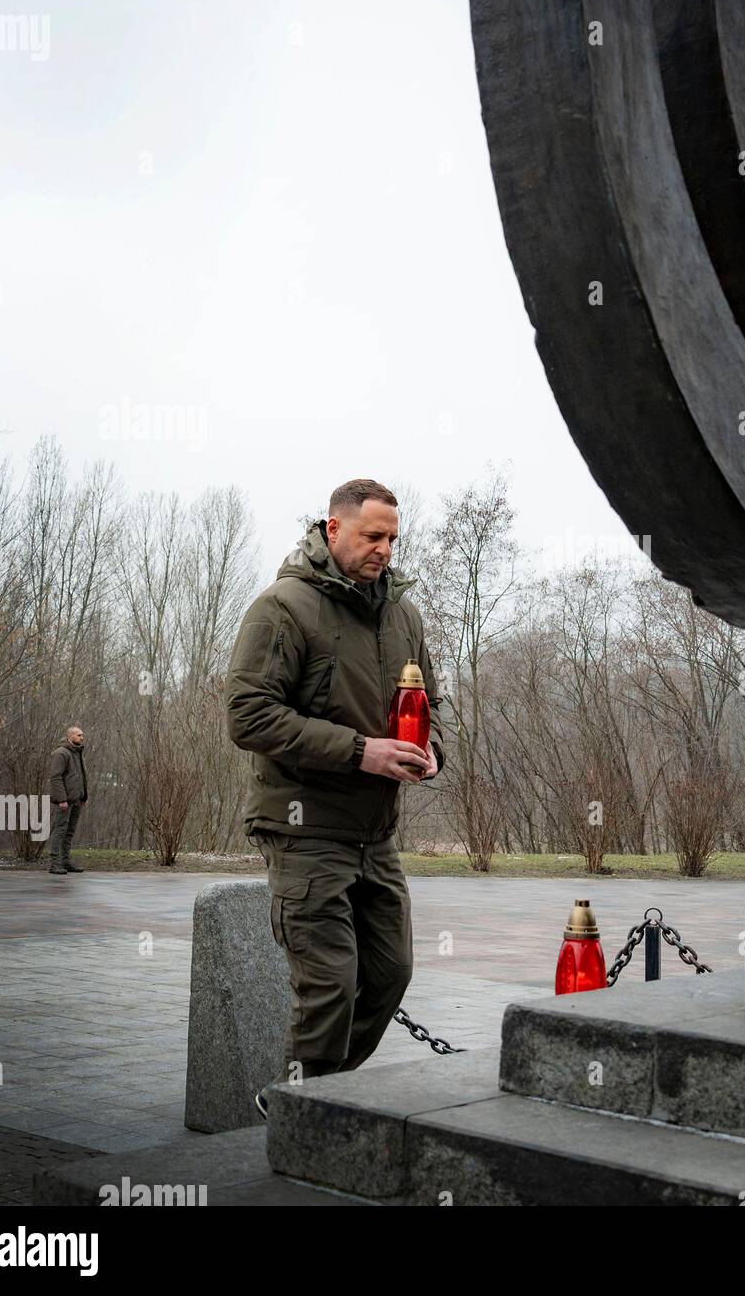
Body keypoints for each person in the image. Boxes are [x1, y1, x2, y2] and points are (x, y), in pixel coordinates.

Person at [225, 479, 445, 1119]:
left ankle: (301, 1096)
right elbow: (247, 715)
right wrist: (360, 751)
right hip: (304, 826)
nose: (384, 549)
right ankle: (304, 1113)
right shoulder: (282, 608)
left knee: (389, 974)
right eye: (372, 536)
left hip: (375, 831)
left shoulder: (403, 614)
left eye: (392, 539)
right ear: (332, 530)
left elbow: (431, 704)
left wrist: (430, 753)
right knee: (330, 985)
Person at [48, 727, 89, 874]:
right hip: (65, 801)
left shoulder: (77, 753)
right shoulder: (61, 753)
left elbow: (80, 777)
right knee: (60, 831)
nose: (82, 737)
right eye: (79, 735)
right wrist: (62, 799)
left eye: (82, 735)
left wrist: (83, 796)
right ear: (71, 736)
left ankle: (65, 861)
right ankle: (55, 863)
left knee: (69, 832)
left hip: (77, 800)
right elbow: (55, 778)